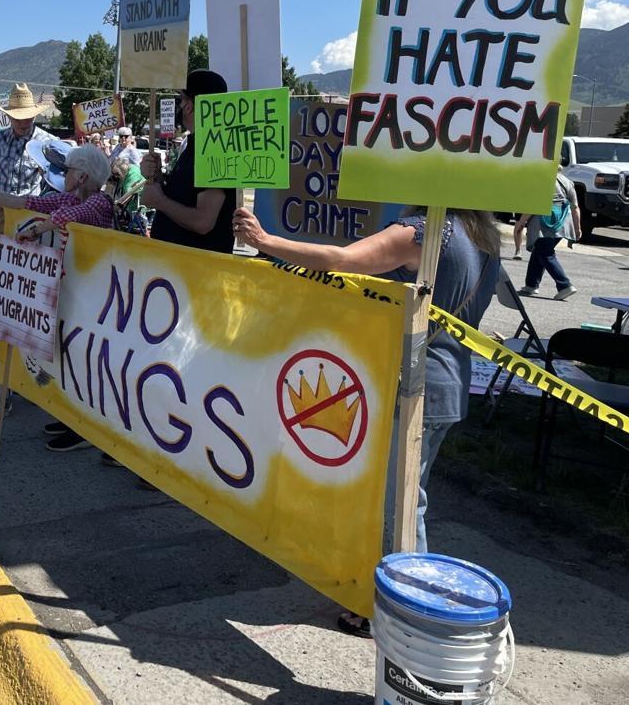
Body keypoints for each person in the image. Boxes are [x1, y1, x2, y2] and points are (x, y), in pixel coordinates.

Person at [231, 205, 500, 636]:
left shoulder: (426, 232)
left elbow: (345, 262)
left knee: (401, 510)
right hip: (447, 382)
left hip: (412, 386)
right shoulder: (482, 236)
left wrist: (266, 242)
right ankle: (393, 602)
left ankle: (409, 615)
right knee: (406, 501)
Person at [0, 142, 114, 452]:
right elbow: (22, 201)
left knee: (84, 359)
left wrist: (37, 229)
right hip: (77, 291)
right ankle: (73, 418)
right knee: (69, 356)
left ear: (82, 176)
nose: (62, 174)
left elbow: (67, 216)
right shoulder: (73, 196)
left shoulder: (100, 203)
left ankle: (86, 427)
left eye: (67, 170)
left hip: (97, 296)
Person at [140, 69, 237, 253]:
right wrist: (157, 176)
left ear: (190, 105)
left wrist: (159, 201)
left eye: (182, 98)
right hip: (179, 268)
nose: (181, 104)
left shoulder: (216, 149)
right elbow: (181, 198)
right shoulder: (195, 145)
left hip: (196, 271)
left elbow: (203, 222)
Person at [514, 170, 580, 299]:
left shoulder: (542, 180)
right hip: (562, 223)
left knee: (545, 253)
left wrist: (521, 222)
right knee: (539, 252)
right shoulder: (567, 182)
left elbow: (534, 205)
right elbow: (575, 207)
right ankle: (531, 285)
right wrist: (578, 228)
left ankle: (565, 285)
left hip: (543, 223)